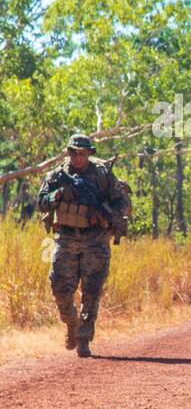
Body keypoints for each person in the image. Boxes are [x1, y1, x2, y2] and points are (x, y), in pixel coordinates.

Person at [36, 134, 130, 358]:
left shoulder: (102, 175)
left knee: (92, 290)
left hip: (95, 239)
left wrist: (108, 215)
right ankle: (71, 324)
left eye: (83, 153)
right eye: (74, 152)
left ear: (89, 153)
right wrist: (57, 195)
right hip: (66, 237)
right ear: (68, 152)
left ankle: (84, 338)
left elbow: (122, 202)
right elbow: (40, 202)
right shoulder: (58, 175)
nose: (78, 157)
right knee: (60, 288)